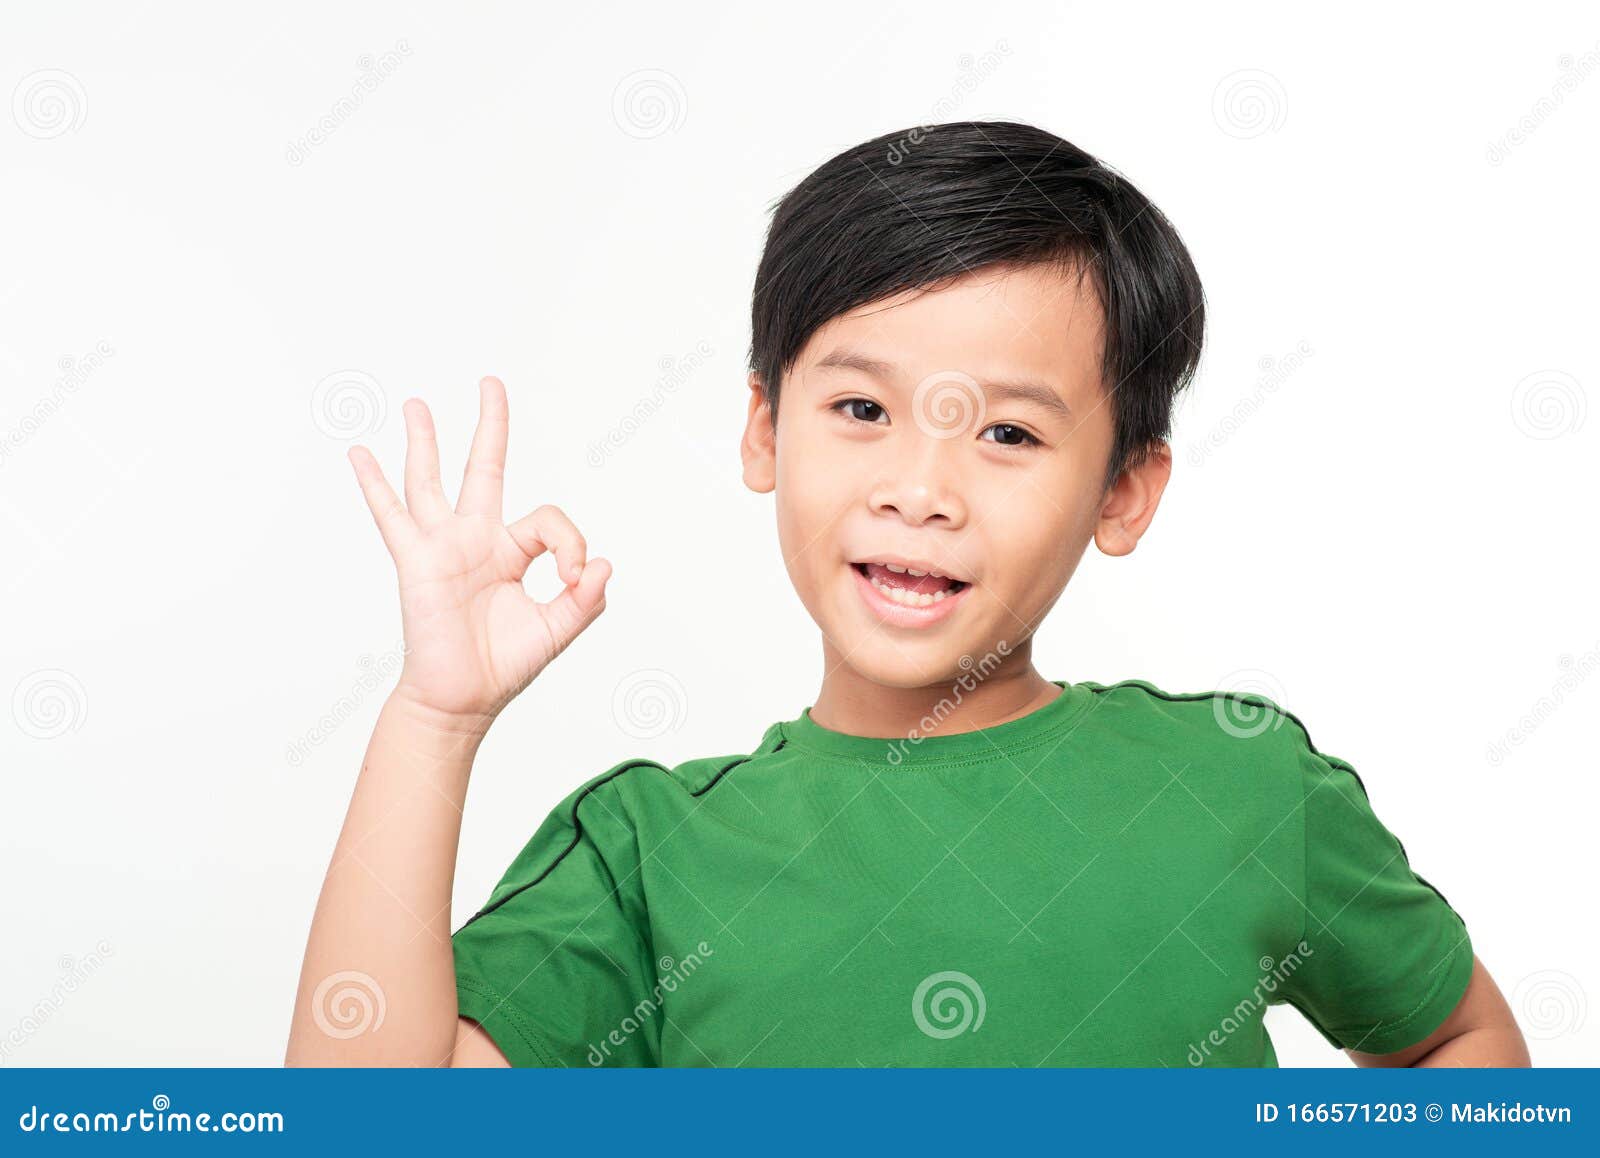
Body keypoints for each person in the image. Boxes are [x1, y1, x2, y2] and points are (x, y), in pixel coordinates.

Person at [285, 121, 1528, 1067]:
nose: (920, 489)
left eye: (1007, 435)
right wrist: (433, 720)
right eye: (862, 410)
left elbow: (1457, 1046)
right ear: (765, 429)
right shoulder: (649, 860)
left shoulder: (1242, 784)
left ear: (1124, 492)